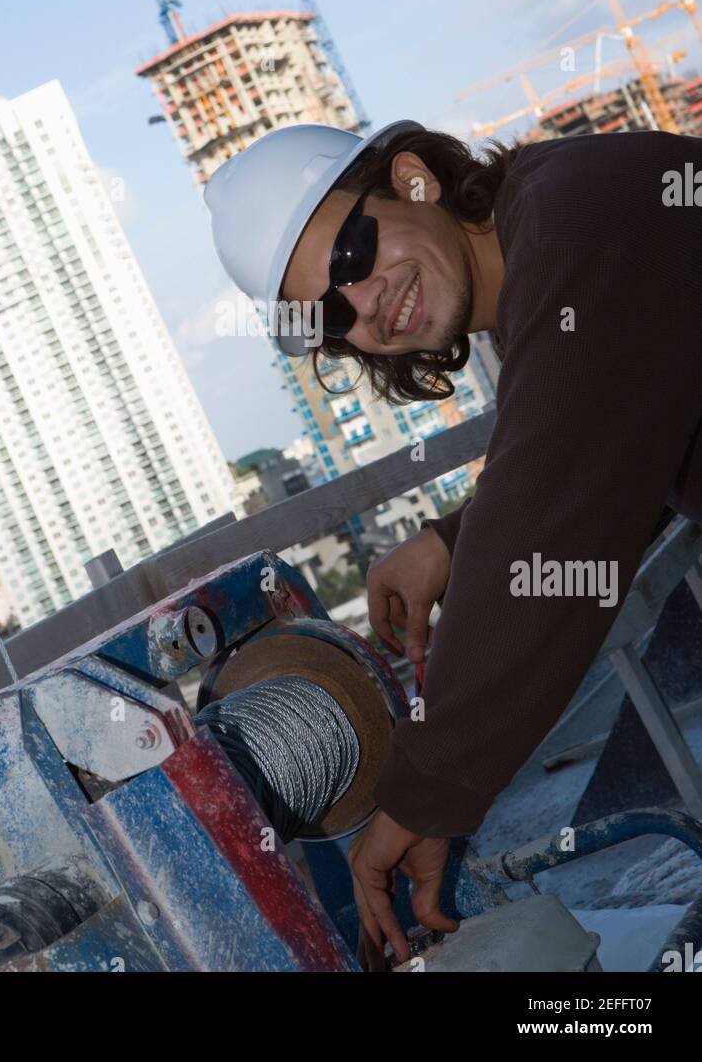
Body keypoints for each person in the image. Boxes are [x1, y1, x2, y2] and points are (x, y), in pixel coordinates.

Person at [204, 118, 702, 968]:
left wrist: (428, 790)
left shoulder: (581, 217)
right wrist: (453, 538)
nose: (365, 306)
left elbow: (555, 511)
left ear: (415, 180)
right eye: (331, 315)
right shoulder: (545, 244)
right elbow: (610, 444)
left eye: (352, 257)